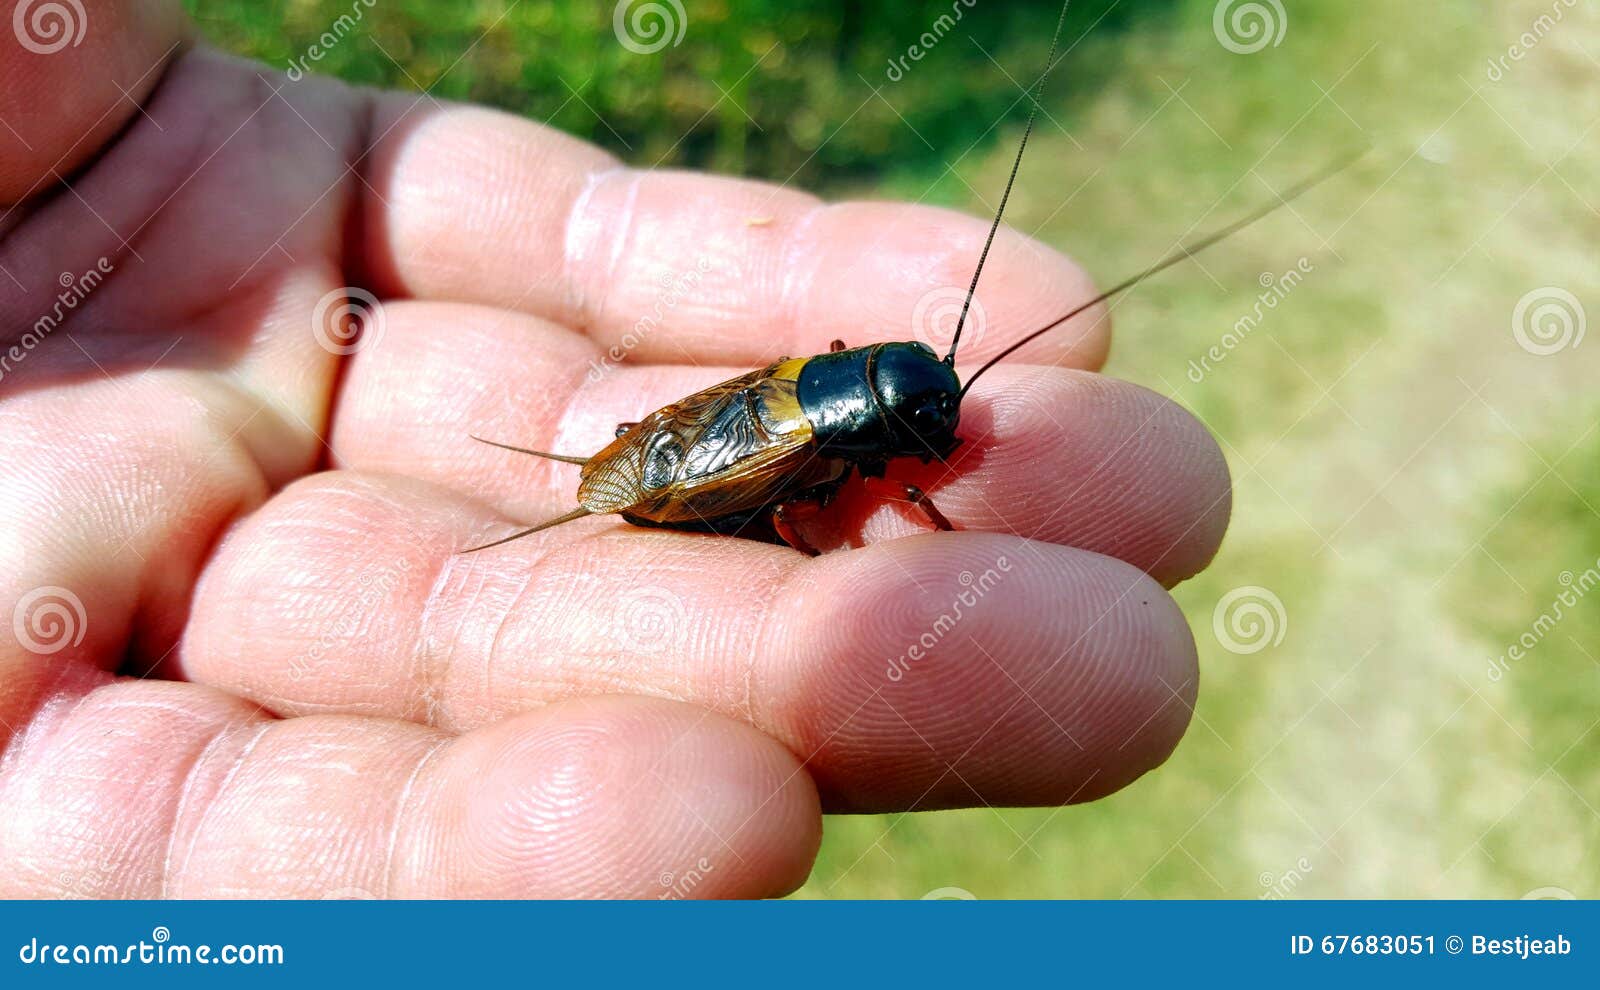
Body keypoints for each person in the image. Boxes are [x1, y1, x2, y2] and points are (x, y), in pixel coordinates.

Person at [0, 2, 1230, 897]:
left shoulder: (846, 389)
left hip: (746, 421)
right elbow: (828, 488)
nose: (938, 437)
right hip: (706, 472)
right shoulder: (846, 442)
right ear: (873, 413)